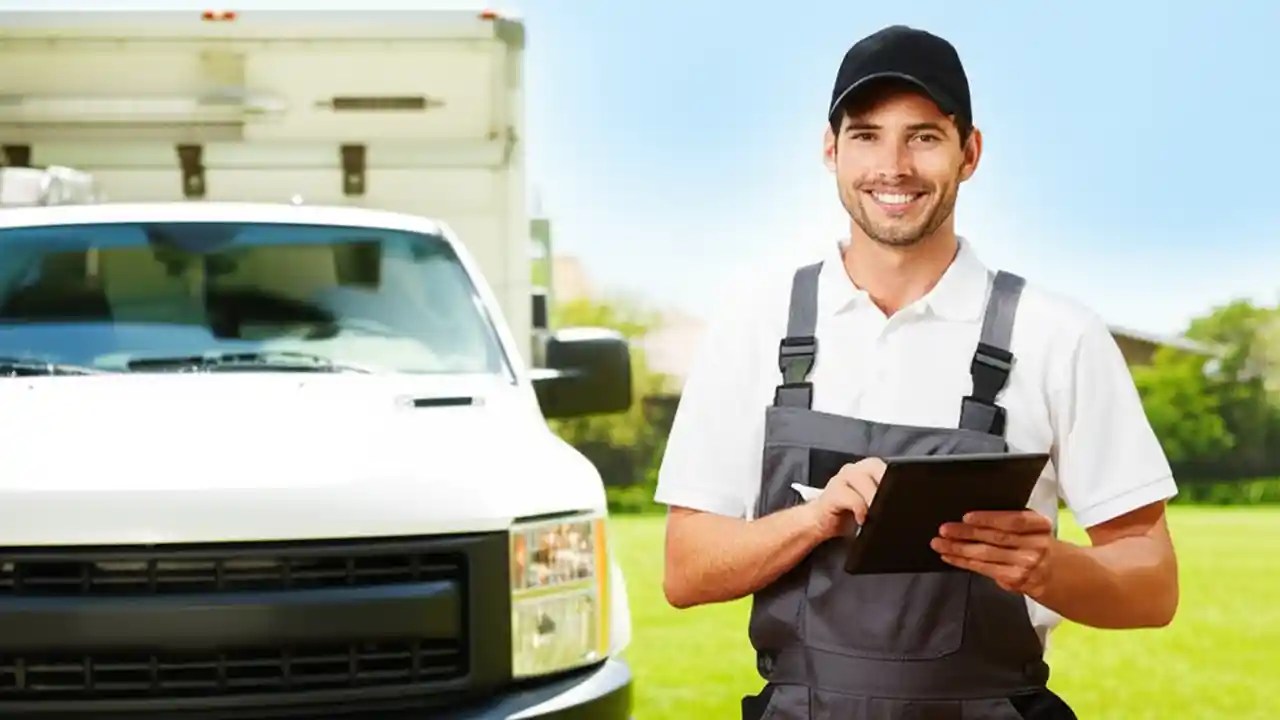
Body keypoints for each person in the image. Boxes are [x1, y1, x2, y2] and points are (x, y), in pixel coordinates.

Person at [654, 24, 1180, 720]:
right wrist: (815, 520)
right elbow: (686, 569)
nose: (893, 166)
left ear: (970, 153)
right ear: (830, 149)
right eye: (867, 135)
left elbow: (1154, 583)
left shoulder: (1058, 336)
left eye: (924, 137)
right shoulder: (756, 327)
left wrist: (1050, 566)